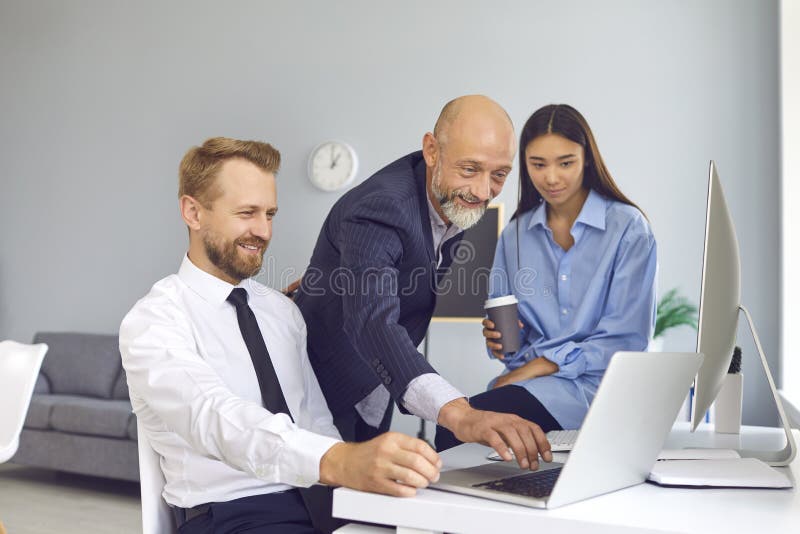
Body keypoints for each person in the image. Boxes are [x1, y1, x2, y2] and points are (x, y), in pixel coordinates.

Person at [119, 137, 442, 534]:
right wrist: (340, 460)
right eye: (246, 213)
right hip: (232, 515)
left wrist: (362, 472)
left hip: (320, 502)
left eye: (270, 213)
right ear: (192, 212)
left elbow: (316, 421)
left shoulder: (283, 312)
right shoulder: (155, 321)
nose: (263, 230)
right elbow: (216, 417)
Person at [294, 95, 553, 470]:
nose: (483, 192)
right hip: (325, 388)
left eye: (499, 175)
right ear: (432, 150)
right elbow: (372, 321)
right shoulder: (380, 207)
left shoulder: (452, 198)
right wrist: (460, 413)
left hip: (380, 386)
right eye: (470, 169)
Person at [435, 104, 657, 450]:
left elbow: (626, 341)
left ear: (587, 158)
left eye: (565, 162)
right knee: (456, 425)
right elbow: (511, 350)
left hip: (601, 388)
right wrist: (501, 341)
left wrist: (538, 366)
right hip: (535, 387)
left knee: (461, 426)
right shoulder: (516, 235)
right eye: (538, 164)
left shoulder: (628, 229)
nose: (551, 178)